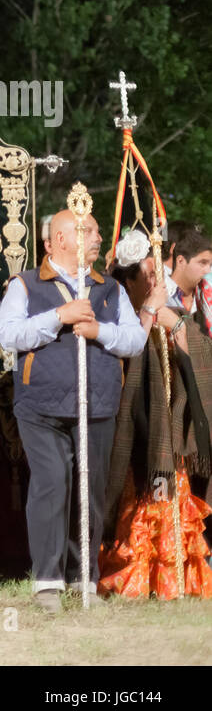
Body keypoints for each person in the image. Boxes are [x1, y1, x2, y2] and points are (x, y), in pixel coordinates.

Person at [0, 208, 147, 613]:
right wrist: (60, 316)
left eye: (96, 231)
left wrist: (100, 332)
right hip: (41, 404)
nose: (98, 238)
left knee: (92, 490)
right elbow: (8, 333)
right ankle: (48, 581)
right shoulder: (26, 284)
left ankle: (85, 580)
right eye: (89, 232)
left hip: (96, 403)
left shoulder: (110, 289)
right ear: (58, 240)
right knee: (52, 483)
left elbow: (134, 340)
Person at [99, 229, 212, 598]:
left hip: (169, 428)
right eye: (146, 274)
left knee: (168, 491)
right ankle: (139, 571)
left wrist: (176, 325)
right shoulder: (116, 312)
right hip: (130, 426)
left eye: (155, 272)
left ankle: (173, 574)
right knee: (138, 498)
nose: (154, 279)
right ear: (128, 280)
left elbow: (195, 352)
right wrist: (150, 316)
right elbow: (123, 360)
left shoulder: (173, 311)